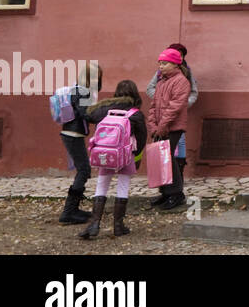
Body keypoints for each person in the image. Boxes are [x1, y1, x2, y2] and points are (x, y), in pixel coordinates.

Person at [80, 80, 146, 240]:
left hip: (105, 153)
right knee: (123, 186)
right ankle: (118, 225)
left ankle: (95, 223)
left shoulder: (104, 109)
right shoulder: (135, 113)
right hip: (126, 154)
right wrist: (136, 156)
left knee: (101, 186)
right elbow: (142, 137)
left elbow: (88, 115)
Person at [146, 42, 198, 206]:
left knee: (169, 159)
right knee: (162, 160)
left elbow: (174, 107)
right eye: (160, 63)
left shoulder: (181, 81)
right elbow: (154, 106)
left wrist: (162, 126)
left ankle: (176, 193)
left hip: (173, 127)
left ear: (175, 63)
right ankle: (165, 192)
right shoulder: (161, 82)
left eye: (164, 63)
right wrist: (153, 125)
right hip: (161, 128)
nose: (161, 66)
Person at [55, 61, 102, 224]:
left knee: (84, 170)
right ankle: (69, 212)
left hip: (72, 134)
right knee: (84, 170)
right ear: (86, 77)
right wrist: (102, 116)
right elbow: (85, 113)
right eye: (93, 77)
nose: (96, 80)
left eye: (98, 77)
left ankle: (72, 209)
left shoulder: (80, 89)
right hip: (72, 134)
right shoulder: (82, 91)